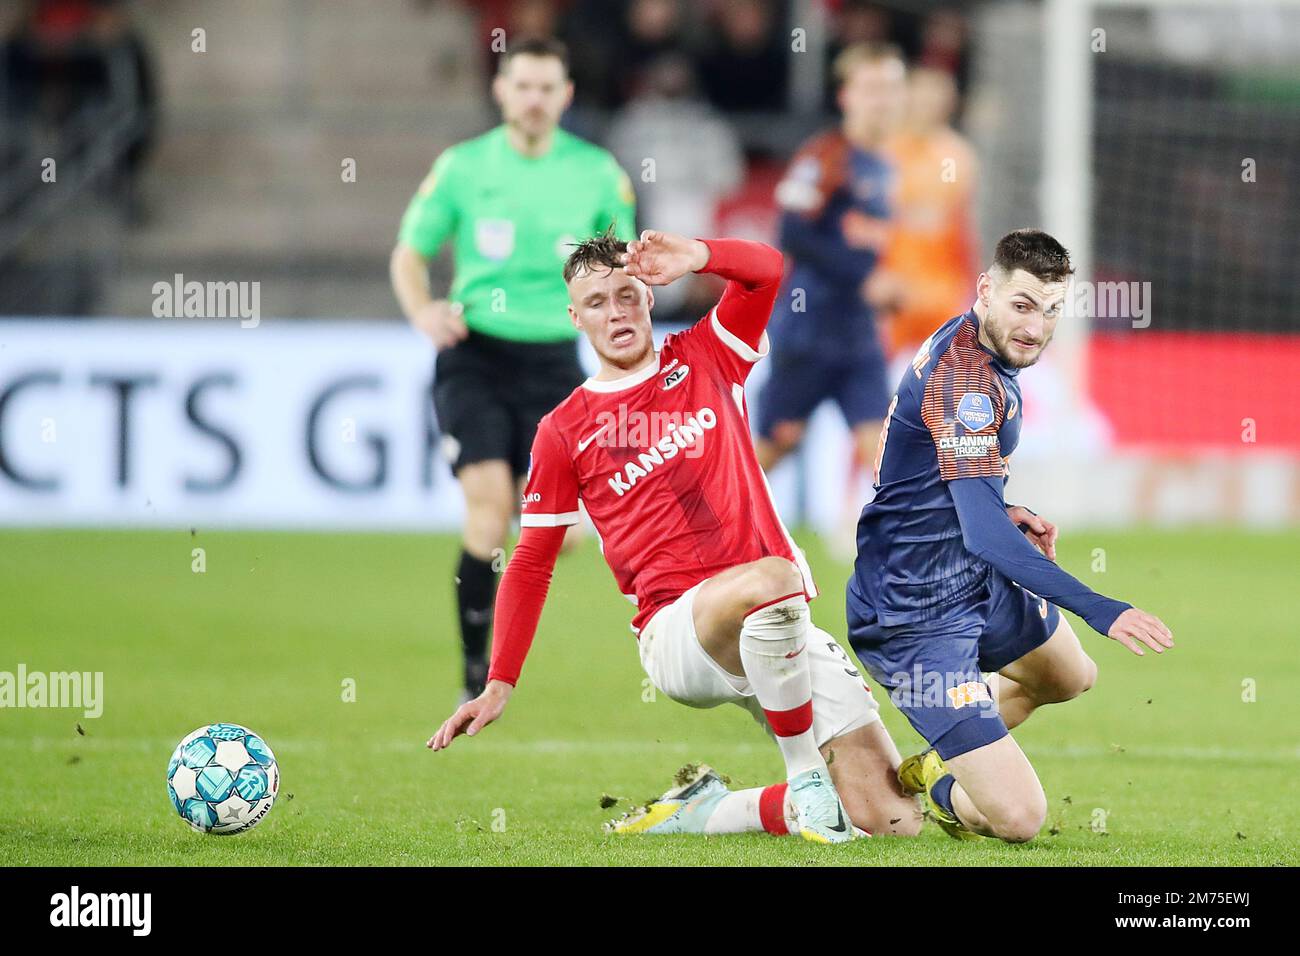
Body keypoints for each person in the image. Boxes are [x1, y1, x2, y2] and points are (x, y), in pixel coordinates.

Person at [428, 229, 921, 844]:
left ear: (650, 297)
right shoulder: (564, 430)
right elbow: (531, 560)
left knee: (892, 820)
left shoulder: (707, 355)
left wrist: (699, 256)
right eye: (599, 302)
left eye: (628, 294)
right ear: (574, 317)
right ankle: (804, 777)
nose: (617, 312)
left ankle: (705, 811)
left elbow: (766, 270)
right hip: (681, 634)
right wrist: (499, 680)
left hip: (777, 622)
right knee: (775, 575)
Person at [847, 228, 1175, 842]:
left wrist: (1001, 506)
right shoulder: (967, 382)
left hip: (968, 579)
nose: (1035, 327)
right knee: (1021, 821)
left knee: (1068, 676)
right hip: (913, 610)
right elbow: (990, 543)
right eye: (1022, 306)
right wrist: (1104, 610)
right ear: (986, 291)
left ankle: (948, 752)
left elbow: (919, 472)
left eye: (1051, 311)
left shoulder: (981, 345)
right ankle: (944, 785)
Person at [390, 36, 636, 701]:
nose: (534, 100)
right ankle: (478, 673)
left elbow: (618, 276)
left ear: (566, 95)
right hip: (474, 355)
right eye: (522, 86)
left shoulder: (596, 173)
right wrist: (423, 312)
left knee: (563, 534)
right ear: (501, 90)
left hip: (554, 363)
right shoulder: (464, 167)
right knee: (489, 513)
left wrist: (620, 352)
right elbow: (409, 256)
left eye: (546, 88)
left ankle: (491, 655)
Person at [755, 43, 905, 481]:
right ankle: (701, 522)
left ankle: (893, 546)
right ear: (847, 97)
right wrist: (864, 278)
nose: (883, 99)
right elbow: (792, 232)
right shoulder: (824, 156)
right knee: (777, 443)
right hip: (808, 328)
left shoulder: (885, 165)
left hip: (857, 333)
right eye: (872, 88)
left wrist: (879, 286)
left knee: (883, 446)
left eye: (891, 88)